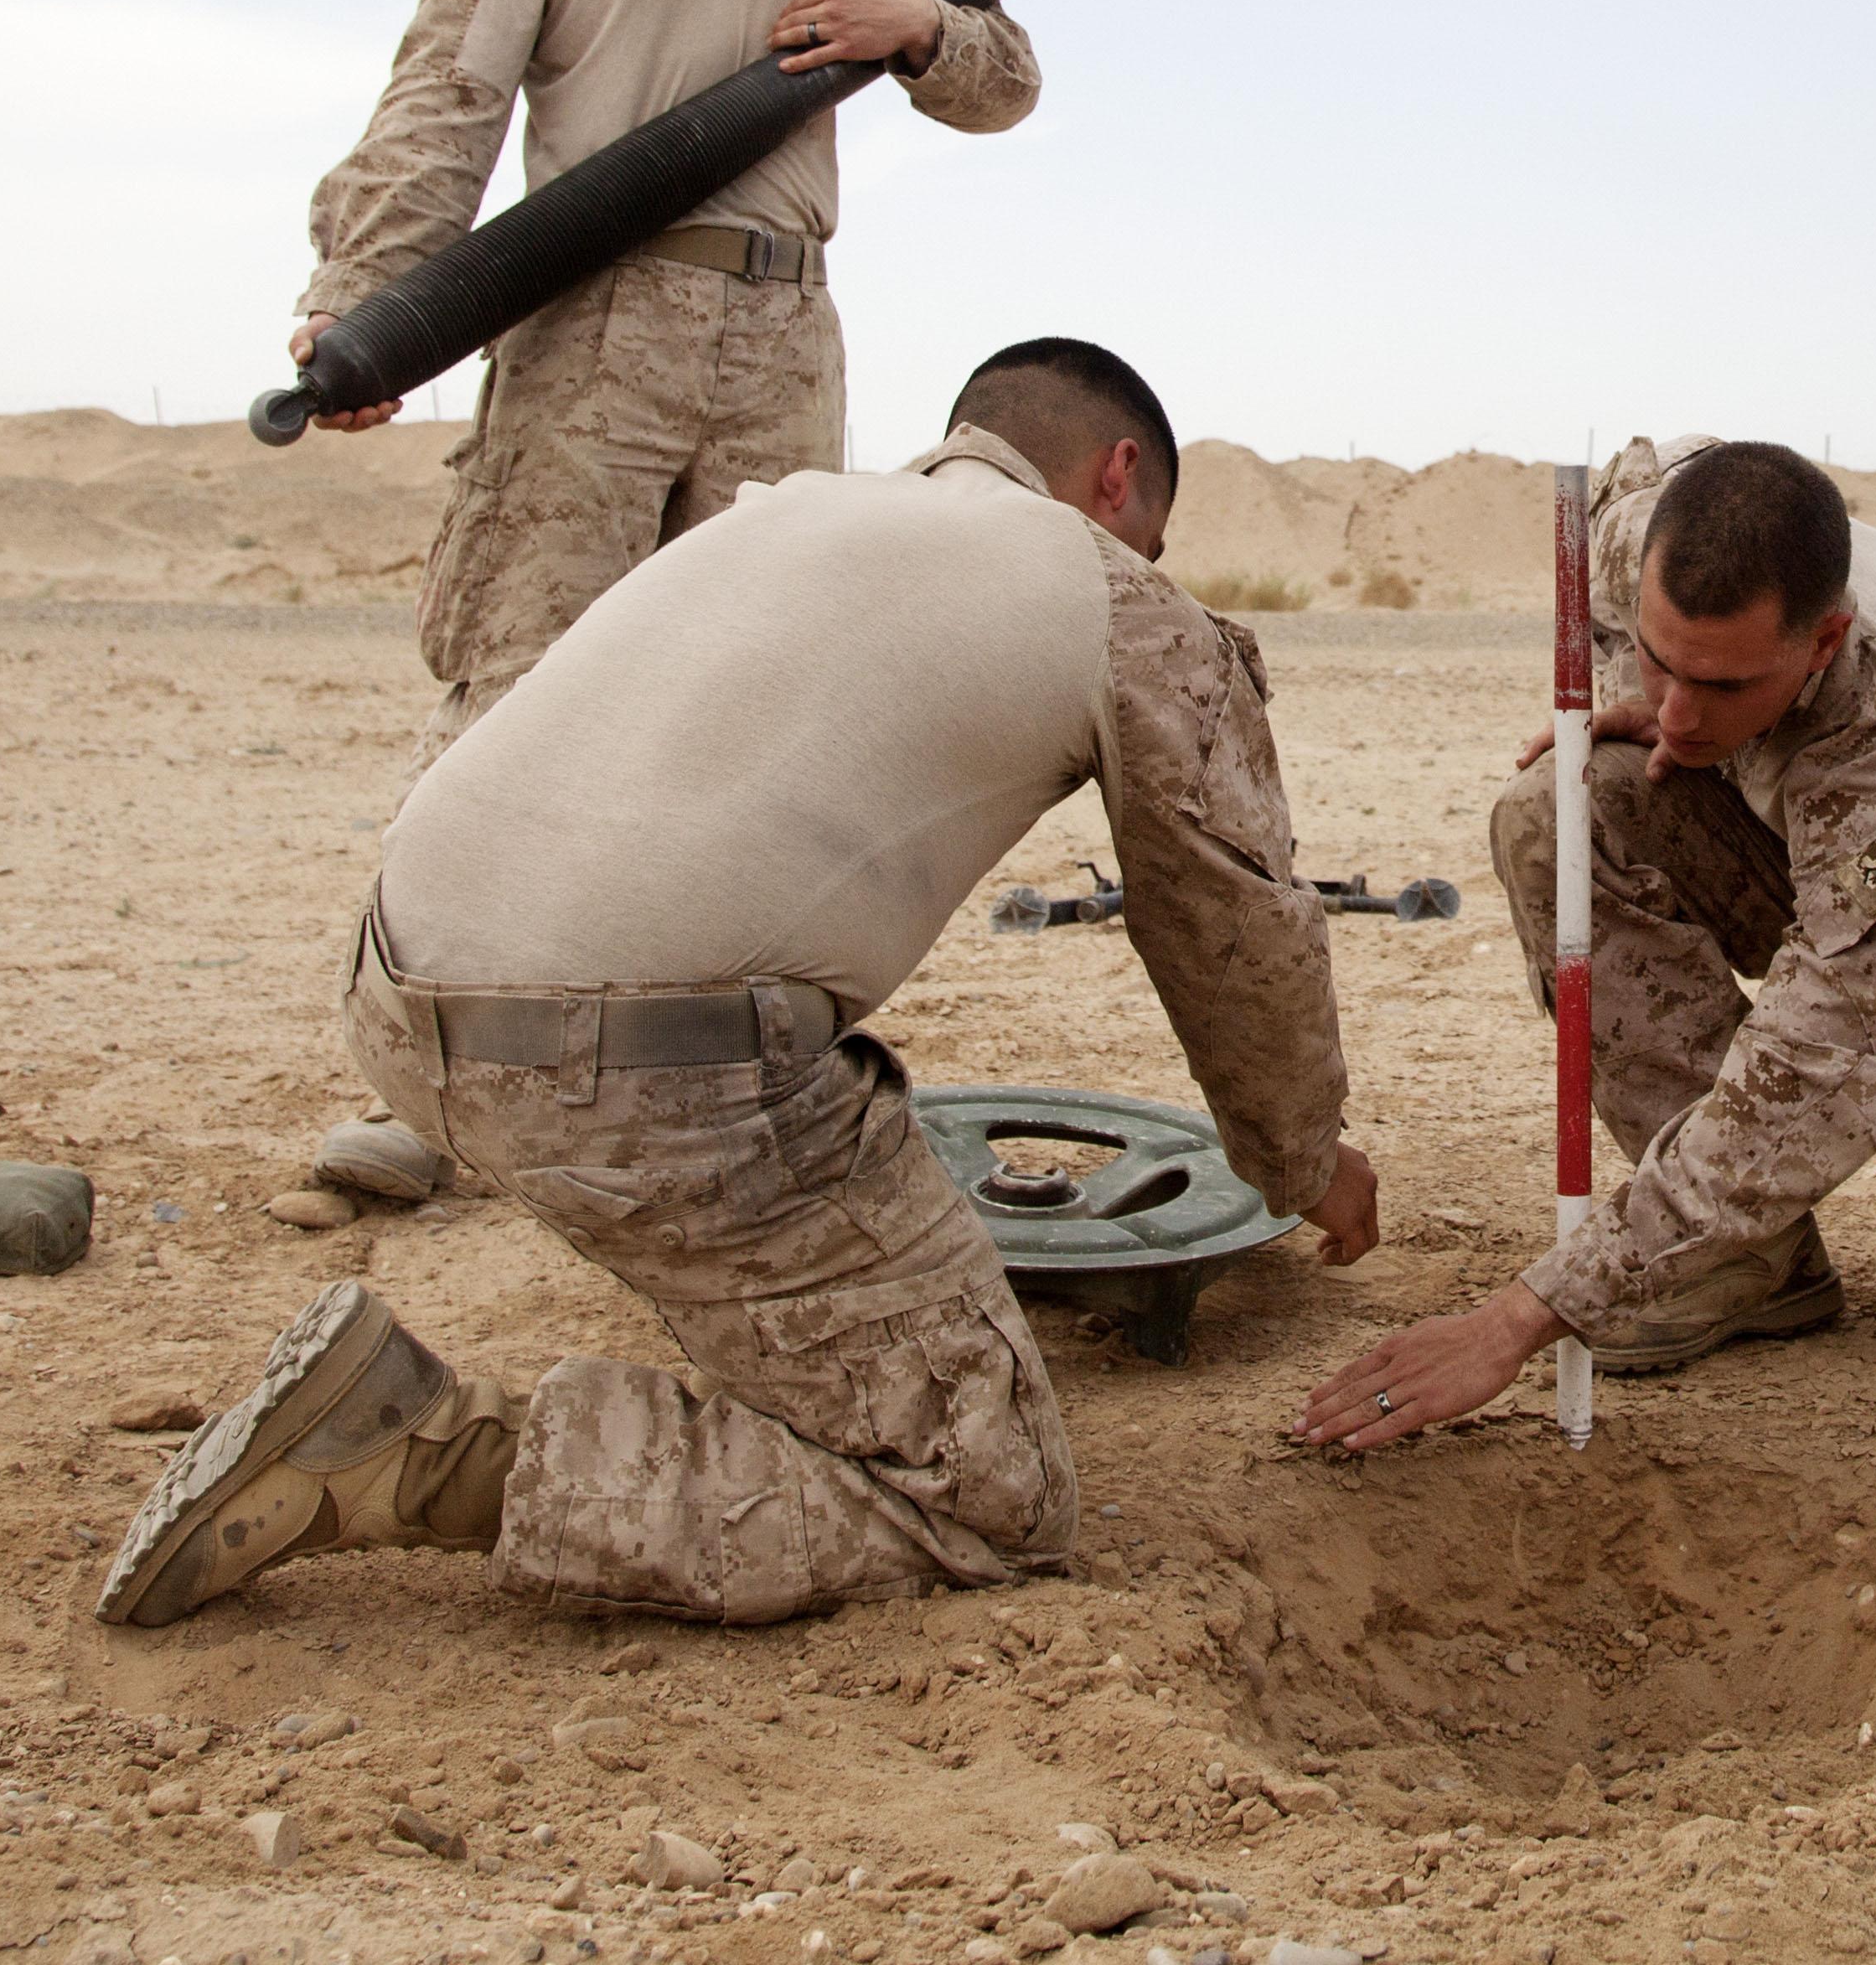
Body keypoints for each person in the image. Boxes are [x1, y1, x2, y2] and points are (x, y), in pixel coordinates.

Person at [94, 339, 1381, 1630]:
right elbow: (1233, 927)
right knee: (985, 1493)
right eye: (1151, 534)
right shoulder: (1121, 603)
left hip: (392, 993)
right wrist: (1299, 1158)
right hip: (617, 1082)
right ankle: (422, 1451)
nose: (1148, 562)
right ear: (1116, 476)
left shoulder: (782, 511)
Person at [287, 0, 1042, 753]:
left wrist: (918, 24)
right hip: (589, 329)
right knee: (527, 699)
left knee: (761, 712)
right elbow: (444, 110)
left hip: (785, 343)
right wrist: (361, 304)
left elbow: (1008, 83)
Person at [1293, 438, 1876, 1452]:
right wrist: (1666, 701)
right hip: (1781, 830)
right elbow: (1637, 514)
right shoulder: (1631, 538)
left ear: (1825, 641)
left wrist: (1527, 1314)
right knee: (1557, 809)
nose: (1676, 710)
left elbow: (1824, 1061)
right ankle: (1750, 1265)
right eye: (1661, 660)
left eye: (1722, 683)